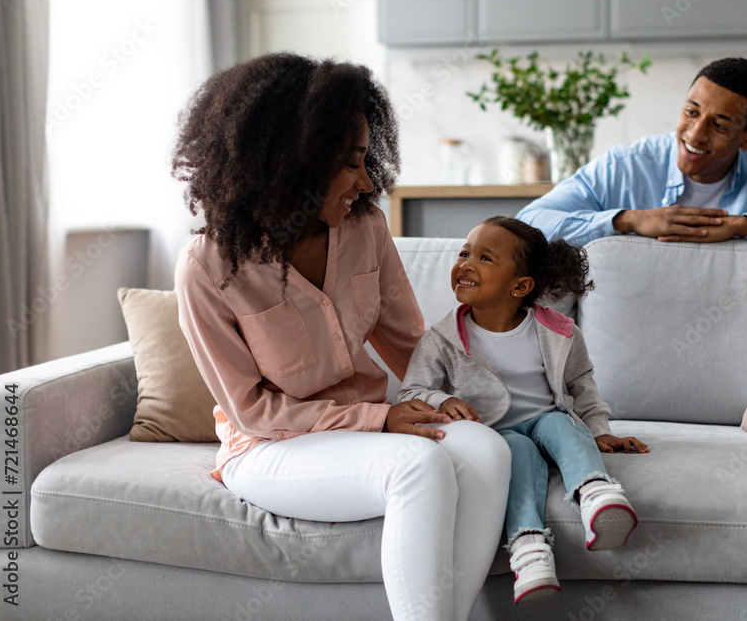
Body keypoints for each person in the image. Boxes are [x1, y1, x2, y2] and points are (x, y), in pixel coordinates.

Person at [172, 53, 511, 621]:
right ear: (291, 160)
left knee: (488, 450)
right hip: (269, 446)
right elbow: (253, 412)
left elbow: (410, 344)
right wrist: (379, 419)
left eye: (366, 159)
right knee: (417, 466)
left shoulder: (365, 227)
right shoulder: (208, 267)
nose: (368, 181)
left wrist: (462, 398)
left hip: (363, 428)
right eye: (350, 163)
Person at [398, 216, 649, 605]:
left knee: (559, 423)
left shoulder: (559, 331)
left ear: (520, 286)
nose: (466, 264)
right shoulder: (441, 339)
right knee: (516, 449)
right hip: (495, 434)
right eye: (464, 253)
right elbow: (411, 391)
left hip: (548, 422)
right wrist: (442, 401)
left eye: (484, 258)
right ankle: (529, 550)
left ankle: (596, 494)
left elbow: (582, 386)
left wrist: (600, 431)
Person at [517, 57, 747, 251]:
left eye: (719, 125)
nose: (695, 134)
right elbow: (529, 224)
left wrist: (744, 226)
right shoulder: (626, 165)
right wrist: (629, 221)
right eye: (691, 112)